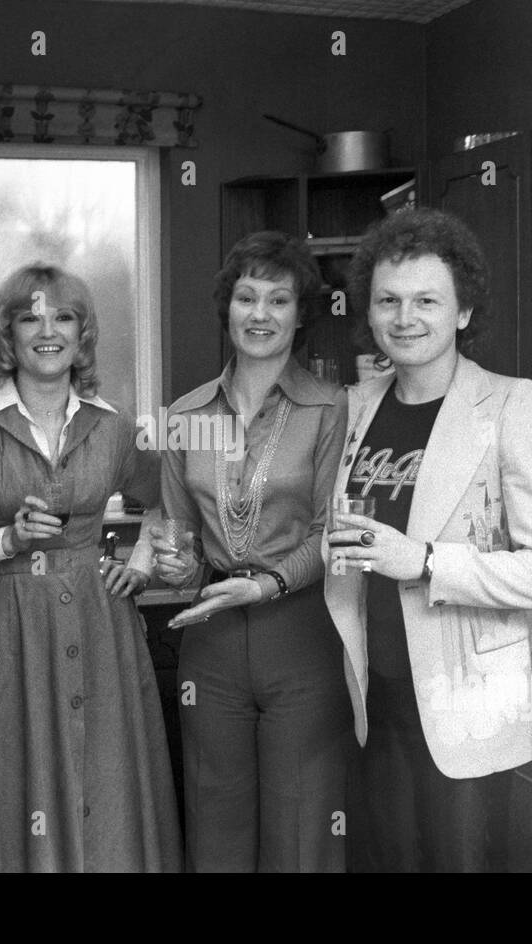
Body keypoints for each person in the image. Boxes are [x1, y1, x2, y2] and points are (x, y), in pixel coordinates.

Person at [323, 207, 532, 872]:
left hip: (465, 700)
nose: (404, 317)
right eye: (388, 300)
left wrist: (428, 562)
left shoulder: (510, 406)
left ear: (463, 311)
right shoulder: (357, 405)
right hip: (373, 697)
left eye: (426, 301)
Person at [0, 263, 180, 872]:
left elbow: (172, 501)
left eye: (63, 316)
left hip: (100, 622)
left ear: (82, 335)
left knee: (105, 779)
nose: (47, 330)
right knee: (14, 780)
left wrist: (140, 565)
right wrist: (4, 541)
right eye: (29, 316)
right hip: (10, 629)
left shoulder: (115, 426)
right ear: (6, 335)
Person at [154, 231, 351, 872]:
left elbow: (333, 531)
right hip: (209, 641)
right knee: (214, 828)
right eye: (246, 297)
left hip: (303, 637)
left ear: (301, 315)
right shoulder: (185, 415)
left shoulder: (331, 410)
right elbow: (178, 531)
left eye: (278, 299)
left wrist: (265, 586)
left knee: (302, 832)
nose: (260, 314)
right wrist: (177, 563)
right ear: (228, 307)